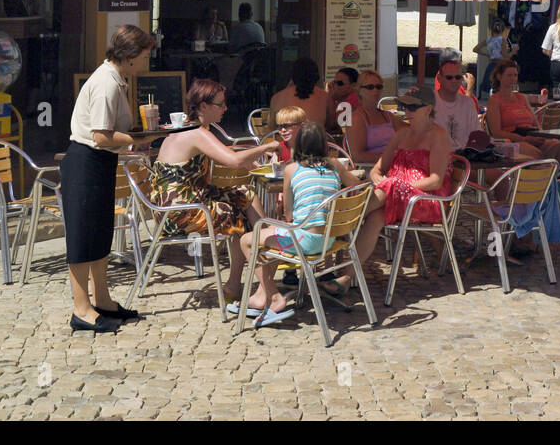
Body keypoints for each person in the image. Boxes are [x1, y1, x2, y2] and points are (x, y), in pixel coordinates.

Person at [59, 24, 156, 332]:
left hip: (100, 163)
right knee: (82, 237)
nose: (145, 62)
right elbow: (100, 136)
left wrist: (139, 135)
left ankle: (102, 300)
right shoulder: (106, 83)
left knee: (100, 233)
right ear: (129, 56)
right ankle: (81, 308)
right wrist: (136, 141)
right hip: (86, 162)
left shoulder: (117, 79)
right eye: (143, 56)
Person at [151, 79, 280, 306]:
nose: (225, 108)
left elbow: (223, 151)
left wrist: (248, 155)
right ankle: (267, 284)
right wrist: (266, 147)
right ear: (203, 106)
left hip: (181, 202)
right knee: (240, 218)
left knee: (245, 193)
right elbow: (231, 160)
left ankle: (249, 277)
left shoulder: (191, 127)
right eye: (220, 105)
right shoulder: (196, 132)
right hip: (179, 211)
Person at [332, 86, 453, 294]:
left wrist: (398, 185)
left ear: (428, 109)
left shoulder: (438, 136)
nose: (406, 112)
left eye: (412, 107)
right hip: (394, 196)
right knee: (376, 218)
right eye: (404, 106)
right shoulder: (402, 134)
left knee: (387, 188)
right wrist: (383, 181)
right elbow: (377, 170)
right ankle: (345, 278)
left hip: (426, 200)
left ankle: (336, 222)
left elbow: (435, 180)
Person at [237, 121, 359, 327]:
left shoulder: (291, 169)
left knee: (247, 240)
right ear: (324, 144)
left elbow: (289, 214)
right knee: (270, 237)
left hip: (305, 241)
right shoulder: (335, 166)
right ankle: (260, 296)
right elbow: (356, 185)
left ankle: (274, 295)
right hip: (329, 239)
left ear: (298, 145)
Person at [486, 59, 559, 159]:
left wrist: (541, 136)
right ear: (499, 77)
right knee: (536, 154)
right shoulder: (494, 100)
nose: (513, 78)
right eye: (509, 75)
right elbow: (496, 133)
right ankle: (544, 172)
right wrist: (524, 139)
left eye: (515, 75)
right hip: (512, 141)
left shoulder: (521, 97)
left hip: (531, 136)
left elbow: (536, 124)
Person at [345, 69, 402, 162]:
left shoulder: (388, 116)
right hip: (373, 168)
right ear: (359, 90)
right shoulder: (356, 118)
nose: (375, 90)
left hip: (394, 165)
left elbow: (410, 132)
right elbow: (358, 156)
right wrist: (391, 160)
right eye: (370, 87)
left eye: (379, 87)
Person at [434, 51, 482, 149]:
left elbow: (477, 135)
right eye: (449, 77)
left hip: (464, 158)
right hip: (436, 158)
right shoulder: (429, 102)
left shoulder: (468, 103)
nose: (454, 81)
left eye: (458, 77)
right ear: (439, 78)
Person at [269, 56, 328, 130]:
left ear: (293, 75)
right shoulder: (324, 96)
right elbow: (329, 125)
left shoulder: (278, 97)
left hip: (290, 140)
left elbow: (272, 127)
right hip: (316, 139)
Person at [326, 66, 361, 130]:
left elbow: (332, 126)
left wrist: (331, 98)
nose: (335, 86)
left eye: (340, 83)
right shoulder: (342, 99)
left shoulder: (353, 100)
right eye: (334, 82)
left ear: (353, 86)